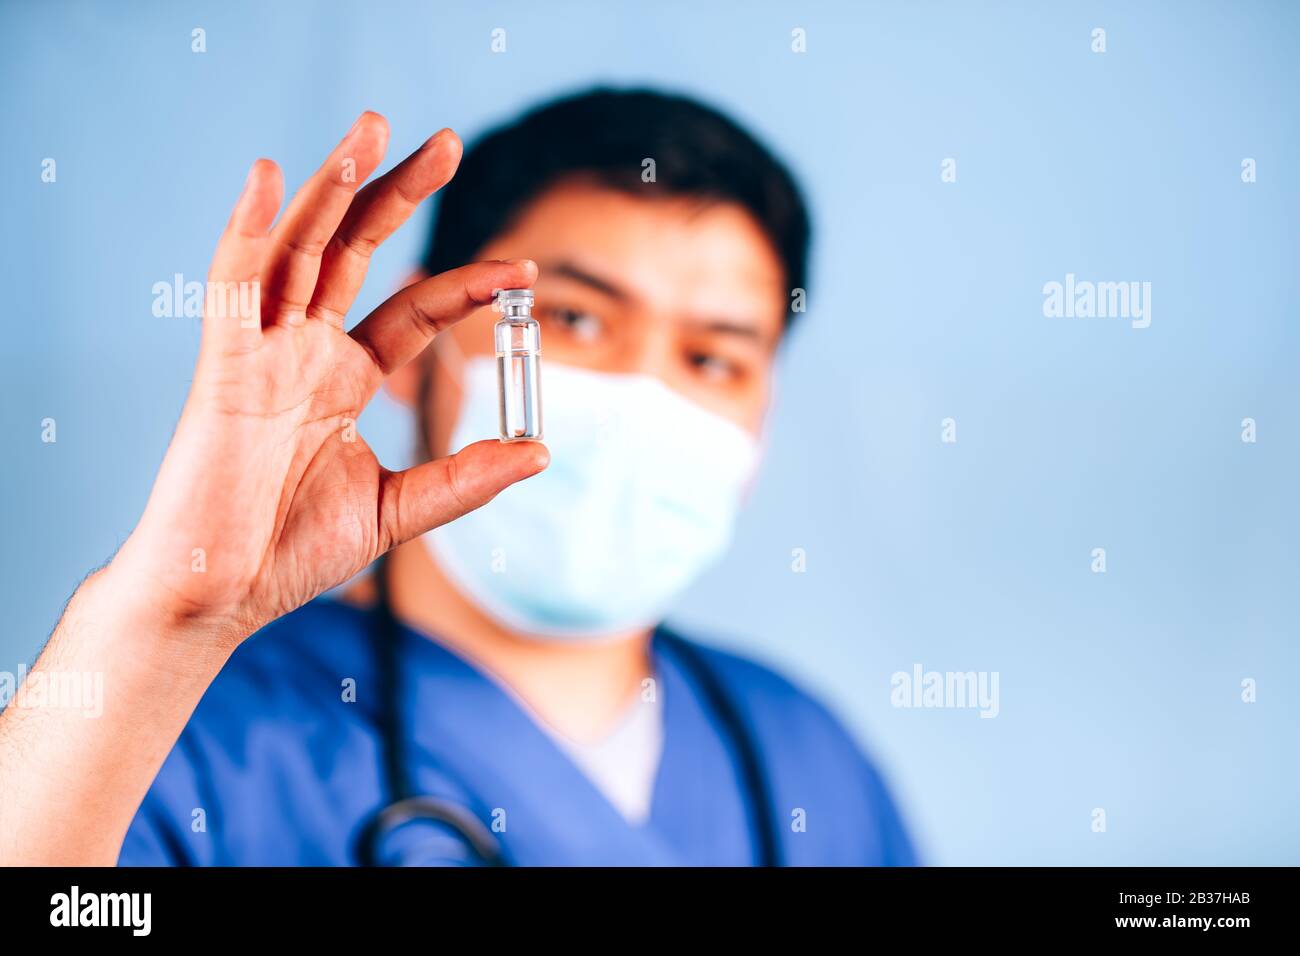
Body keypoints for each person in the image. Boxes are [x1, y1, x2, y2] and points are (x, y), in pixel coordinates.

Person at [0, 88, 916, 866]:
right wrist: (167, 618)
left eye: (714, 360)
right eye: (575, 318)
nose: (643, 395)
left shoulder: (804, 761)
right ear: (419, 340)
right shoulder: (181, 739)